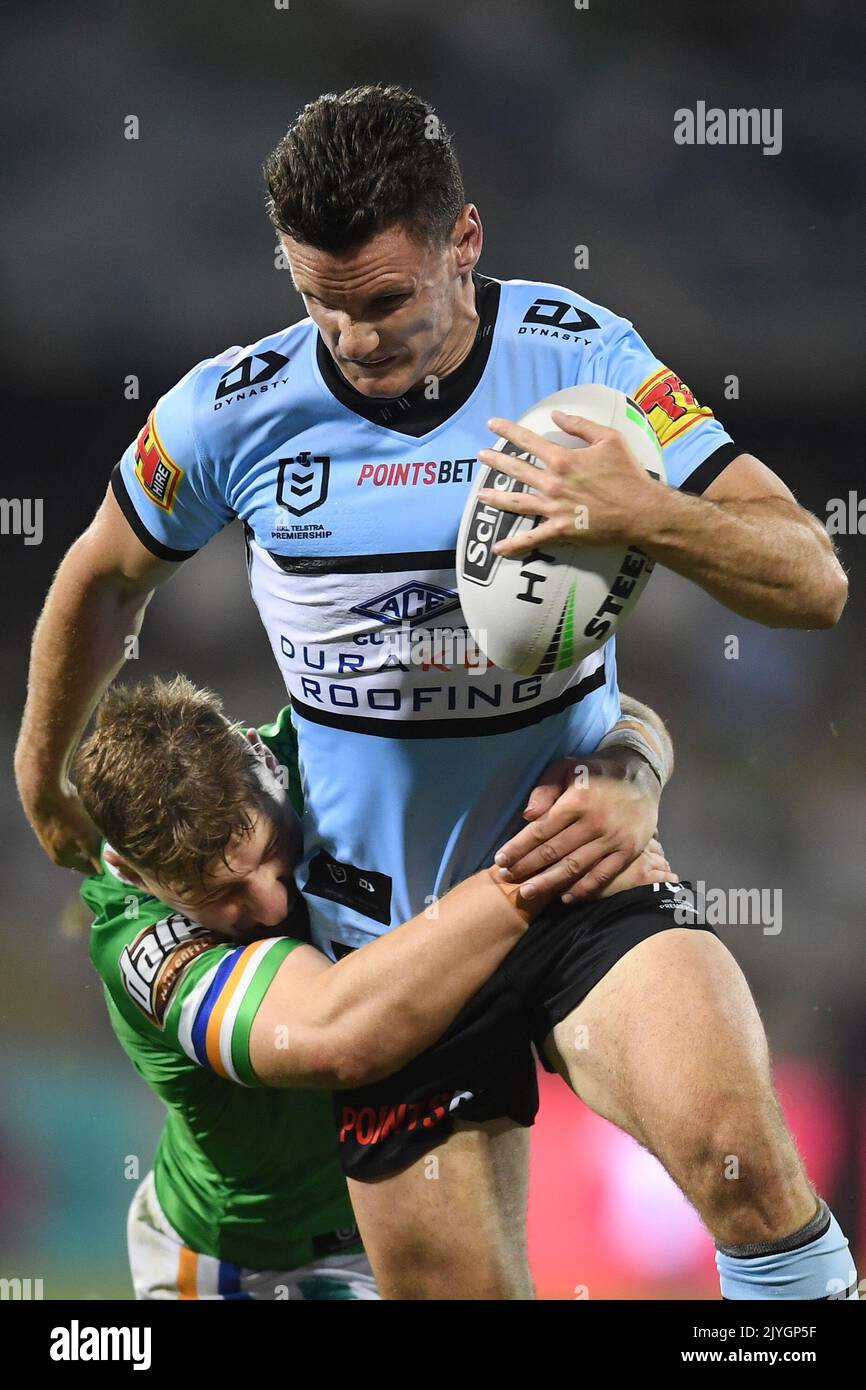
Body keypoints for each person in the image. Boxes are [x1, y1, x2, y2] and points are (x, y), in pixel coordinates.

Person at [16, 84, 853, 1300]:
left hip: (580, 876)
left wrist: (647, 514)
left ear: (463, 241)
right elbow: (99, 581)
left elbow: (811, 576)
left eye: (386, 299)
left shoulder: (583, 361)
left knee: (746, 1175)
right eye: (322, 303)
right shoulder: (229, 412)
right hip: (382, 934)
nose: (354, 337)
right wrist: (38, 768)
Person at [75, 674, 671, 1299]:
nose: (273, 904)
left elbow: (586, 714)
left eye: (273, 848)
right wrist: (549, 866)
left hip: (399, 1213)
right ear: (134, 874)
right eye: (219, 897)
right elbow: (336, 1036)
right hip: (250, 1265)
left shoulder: (325, 741)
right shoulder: (137, 941)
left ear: (258, 756)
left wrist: (632, 768)